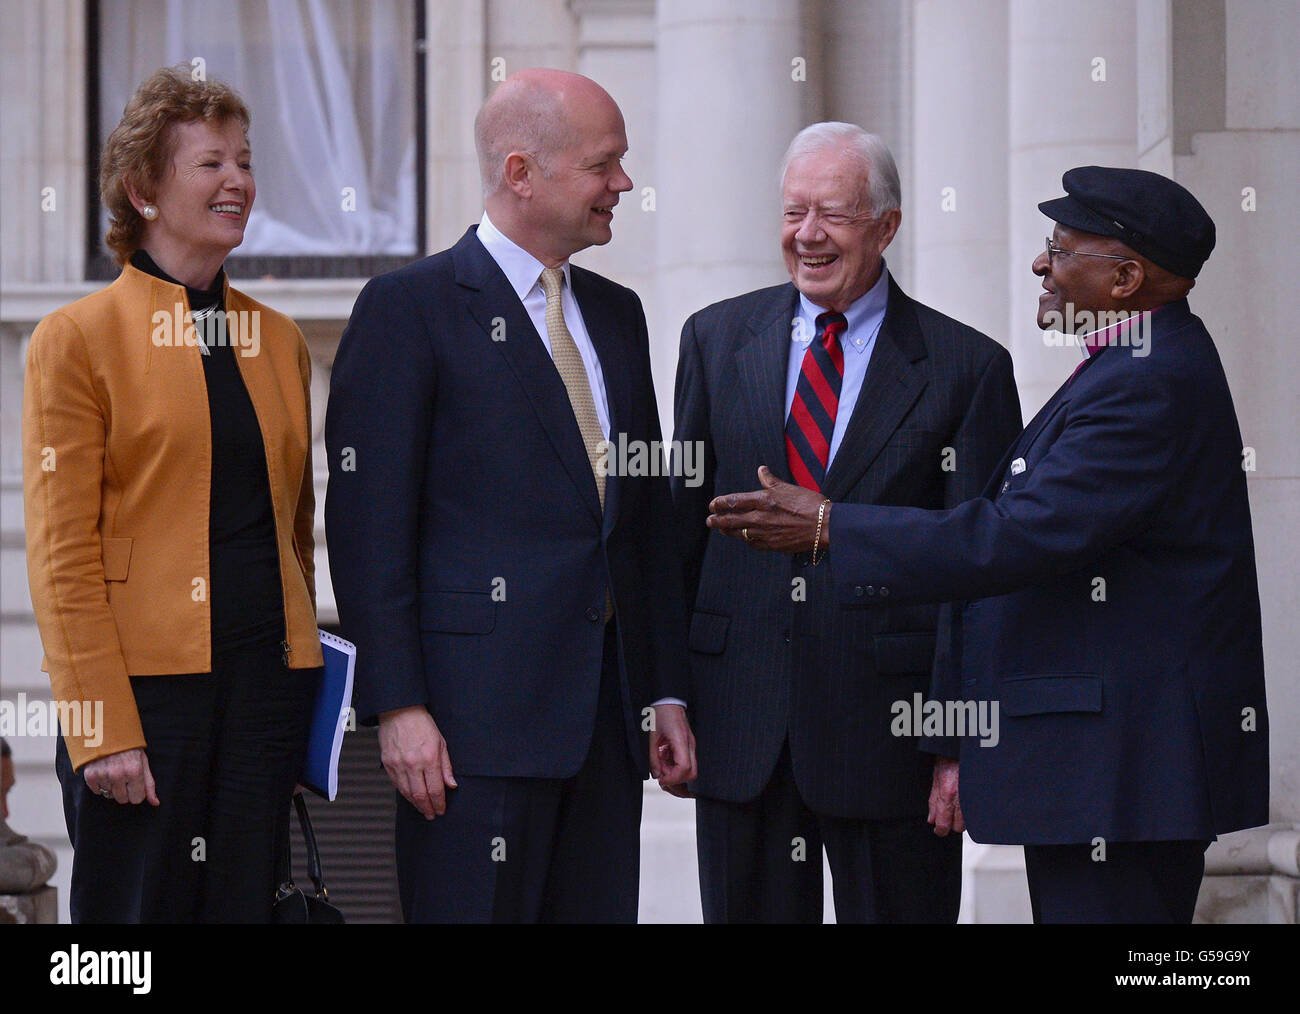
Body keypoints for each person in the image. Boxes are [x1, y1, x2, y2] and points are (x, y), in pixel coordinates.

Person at [706, 166, 1269, 923]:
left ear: (1127, 277)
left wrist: (833, 525)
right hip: (1109, 770)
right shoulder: (1132, 365)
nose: (1042, 264)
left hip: (1125, 772)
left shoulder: (1148, 381)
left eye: (1063, 250)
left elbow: (1020, 534)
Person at [325, 68, 695, 924]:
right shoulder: (407, 309)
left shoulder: (619, 314)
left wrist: (666, 690)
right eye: (606, 164)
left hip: (605, 732)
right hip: (468, 736)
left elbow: (639, 526)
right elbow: (367, 524)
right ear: (523, 172)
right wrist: (400, 706)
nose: (623, 186)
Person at [671, 122, 1022, 923]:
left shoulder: (967, 368)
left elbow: (983, 573)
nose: (808, 235)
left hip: (891, 738)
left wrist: (957, 741)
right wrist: (666, 698)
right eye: (794, 212)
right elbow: (676, 536)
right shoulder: (715, 339)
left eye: (832, 213)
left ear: (887, 226)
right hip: (739, 725)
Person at [22, 66, 324, 922]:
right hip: (145, 705)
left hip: (264, 695)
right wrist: (101, 725)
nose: (239, 181)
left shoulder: (279, 340)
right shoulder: (75, 340)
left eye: (246, 161)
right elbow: (60, 558)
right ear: (142, 189)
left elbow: (297, 534)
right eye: (211, 164)